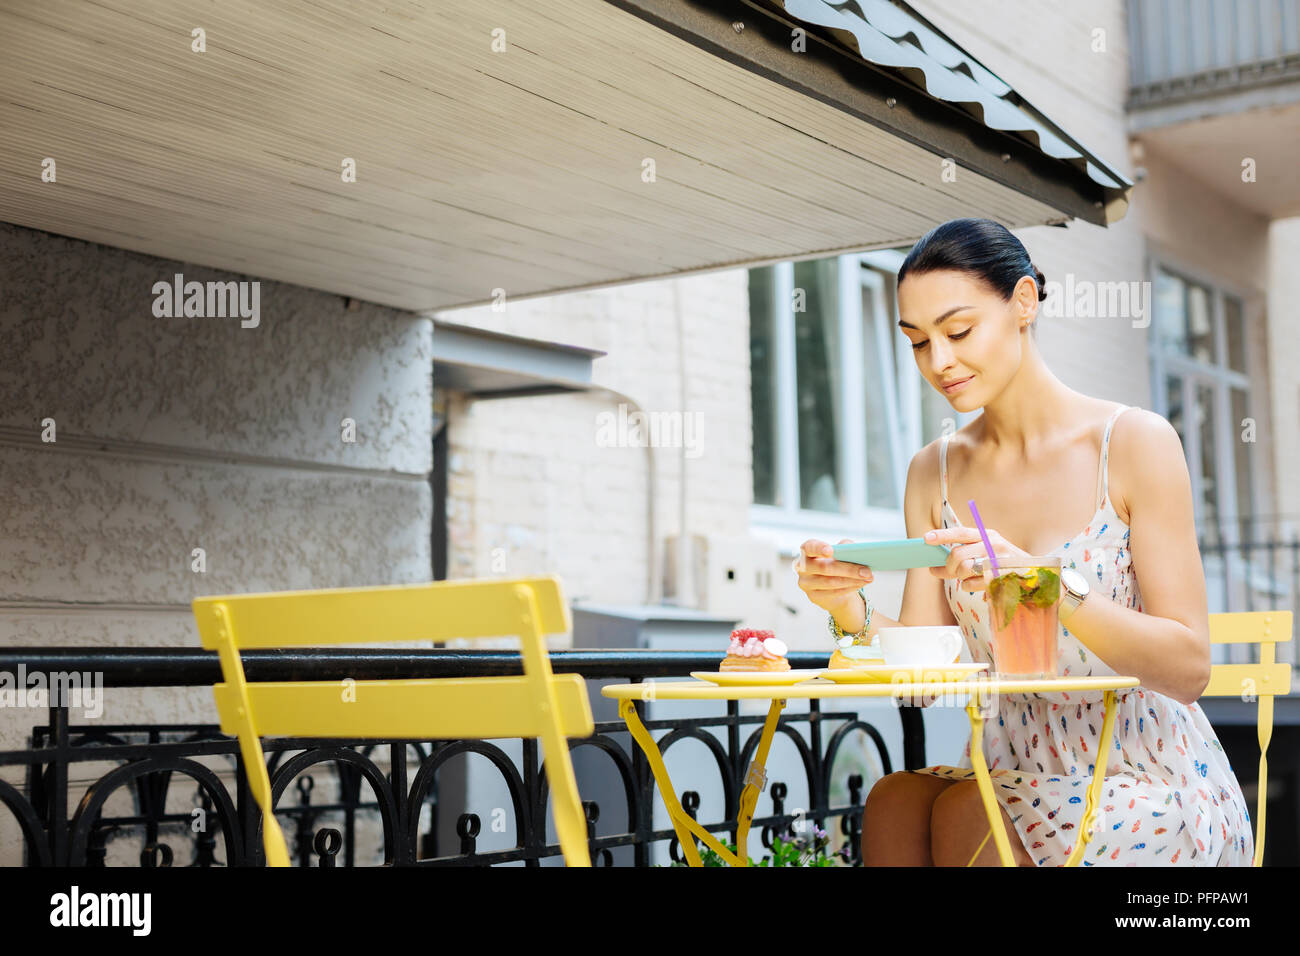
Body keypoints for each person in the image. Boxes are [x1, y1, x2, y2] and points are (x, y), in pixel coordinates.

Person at [793, 218, 1254, 867]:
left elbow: (1189, 667)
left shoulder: (1132, 444)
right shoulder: (936, 471)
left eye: (958, 332)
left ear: (1024, 302)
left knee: (966, 811)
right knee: (895, 799)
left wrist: (1045, 584)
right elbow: (926, 683)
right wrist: (849, 608)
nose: (939, 362)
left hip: (1145, 774)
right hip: (1008, 764)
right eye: (918, 342)